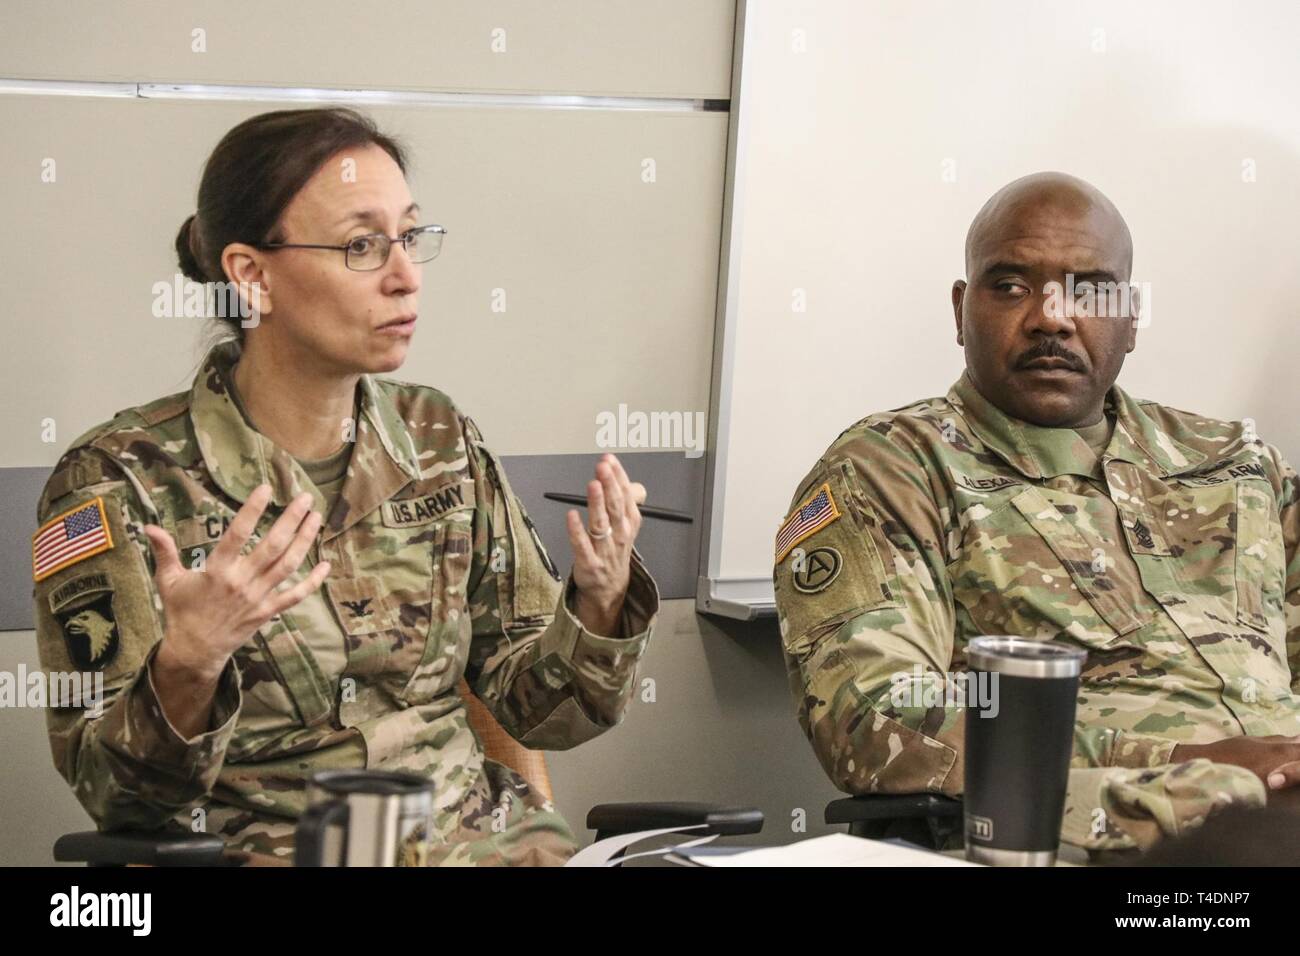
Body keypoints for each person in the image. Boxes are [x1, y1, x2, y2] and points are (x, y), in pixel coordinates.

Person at [31, 107, 660, 866]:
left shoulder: (440, 438)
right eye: (362, 245)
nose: (404, 276)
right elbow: (116, 800)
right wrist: (187, 666)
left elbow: (541, 711)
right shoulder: (120, 479)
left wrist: (597, 604)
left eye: (410, 236)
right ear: (250, 274)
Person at [773, 171, 1300, 852]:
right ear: (962, 309)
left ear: (1131, 317)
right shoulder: (892, 469)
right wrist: (1185, 762)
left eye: (1088, 289)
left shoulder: (1240, 463)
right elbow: (874, 718)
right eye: (1012, 286)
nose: (1051, 316)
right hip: (1099, 834)